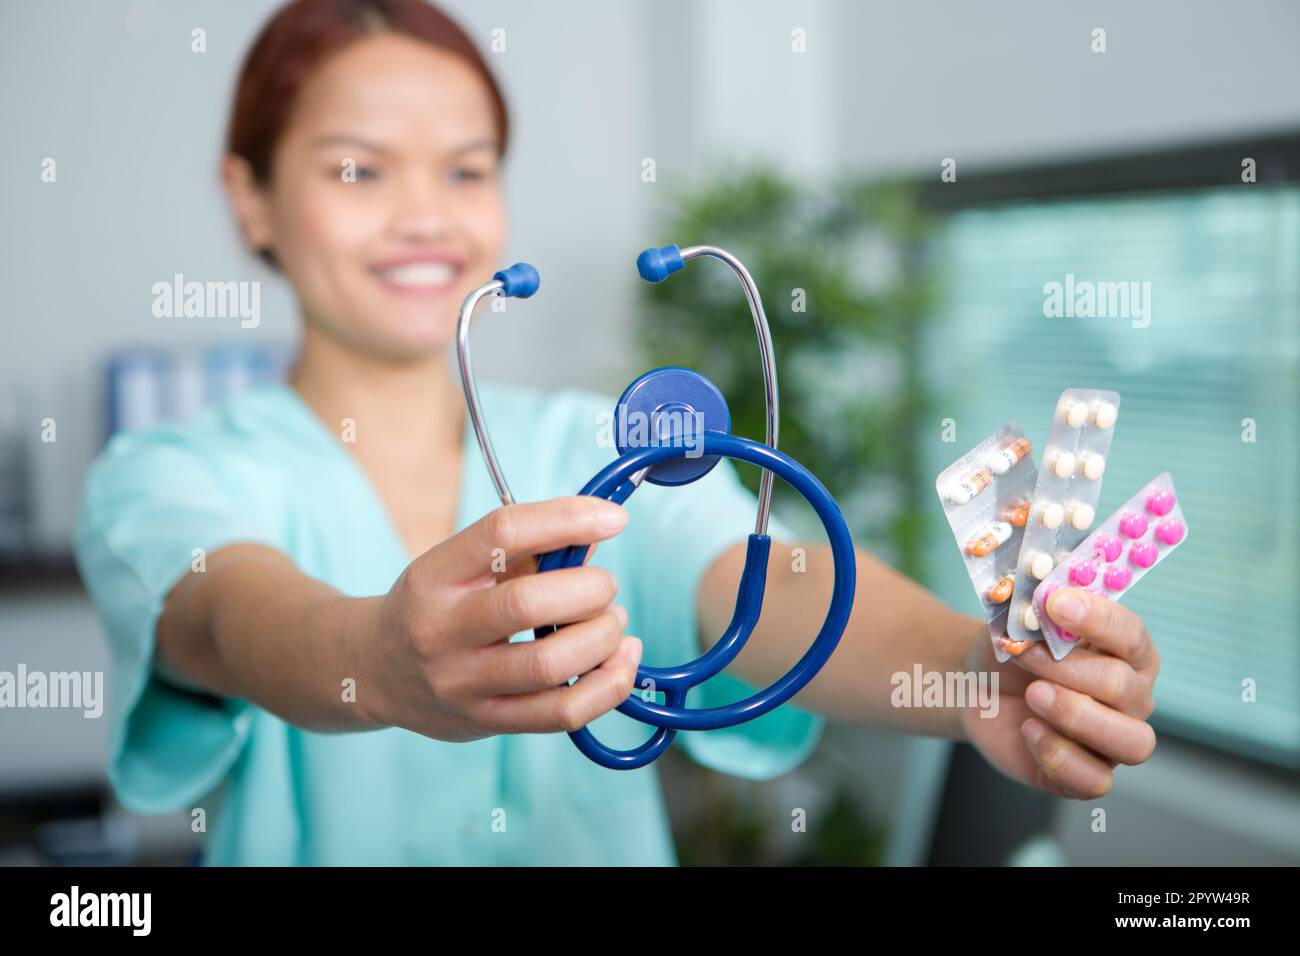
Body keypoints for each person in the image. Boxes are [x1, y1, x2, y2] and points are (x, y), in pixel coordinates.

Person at [74, 0, 1160, 865]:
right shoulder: (165, 474)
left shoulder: (598, 440)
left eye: (466, 167)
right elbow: (229, 619)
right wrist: (379, 663)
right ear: (250, 197)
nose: (424, 214)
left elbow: (763, 576)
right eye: (357, 168)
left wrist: (969, 671)